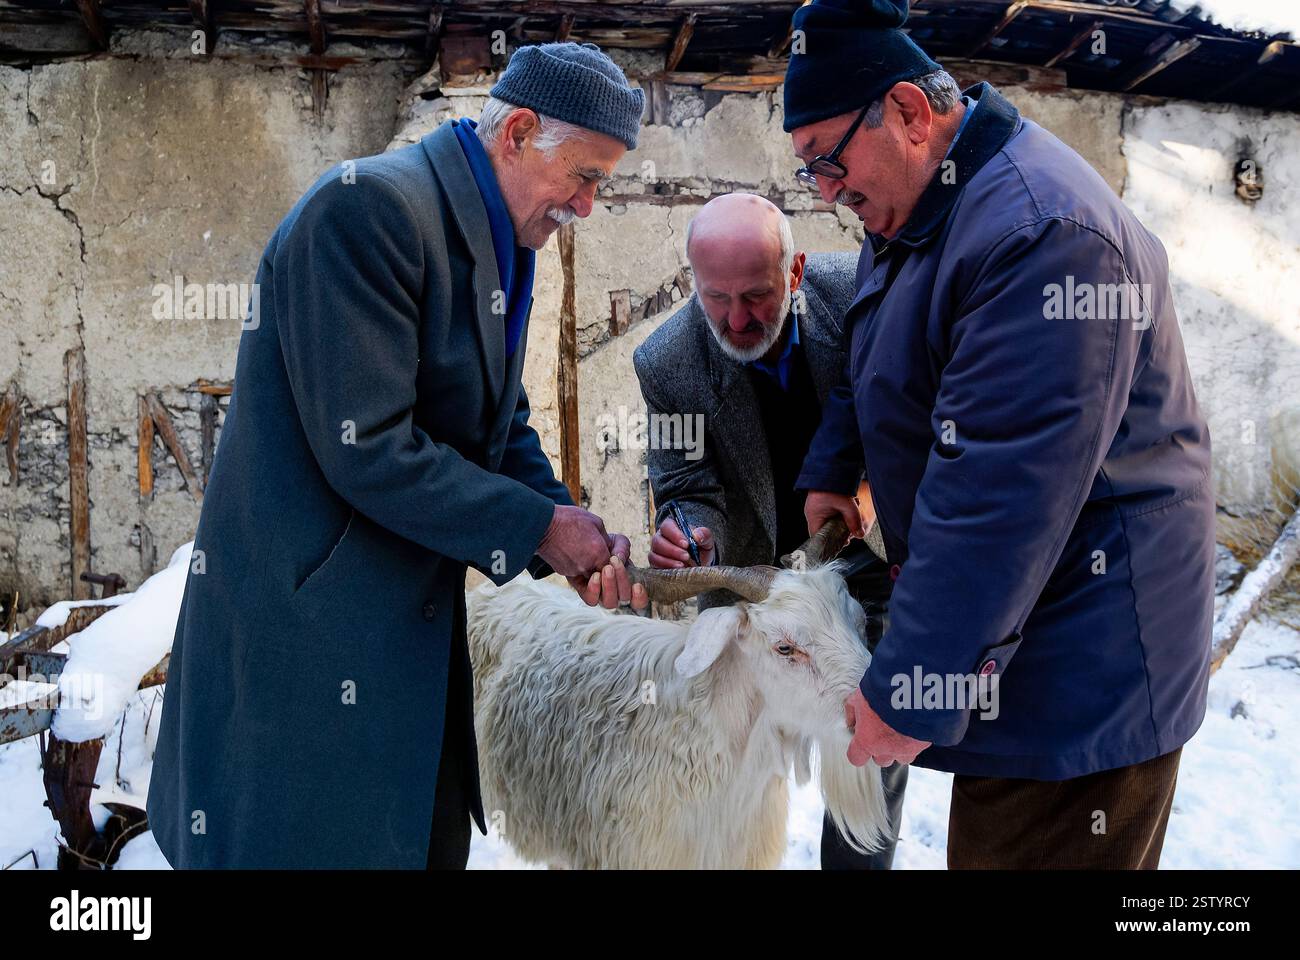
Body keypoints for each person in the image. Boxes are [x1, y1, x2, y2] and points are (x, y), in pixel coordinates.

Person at [147, 42, 647, 869]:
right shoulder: (367, 212)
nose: (587, 208)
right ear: (518, 132)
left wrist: (565, 522)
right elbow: (370, 449)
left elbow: (494, 421)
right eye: (586, 177)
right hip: (311, 646)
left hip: (392, 645)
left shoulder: (499, 235)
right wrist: (537, 529)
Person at [786, 0, 1214, 869]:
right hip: (1020, 642)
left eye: (829, 160)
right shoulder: (920, 205)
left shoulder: (1040, 235)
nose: (827, 191)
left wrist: (913, 684)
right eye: (810, 174)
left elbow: (998, 494)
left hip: (1086, 675)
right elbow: (879, 346)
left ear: (909, 110)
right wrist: (835, 464)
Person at [632, 193, 907, 869]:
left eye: (756, 294)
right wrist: (689, 534)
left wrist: (872, 491)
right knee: (739, 759)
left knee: (869, 732)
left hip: (868, 561)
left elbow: (914, 415)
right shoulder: (666, 363)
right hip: (758, 598)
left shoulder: (862, 296)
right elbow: (685, 486)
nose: (736, 317)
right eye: (714, 297)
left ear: (797, 269)